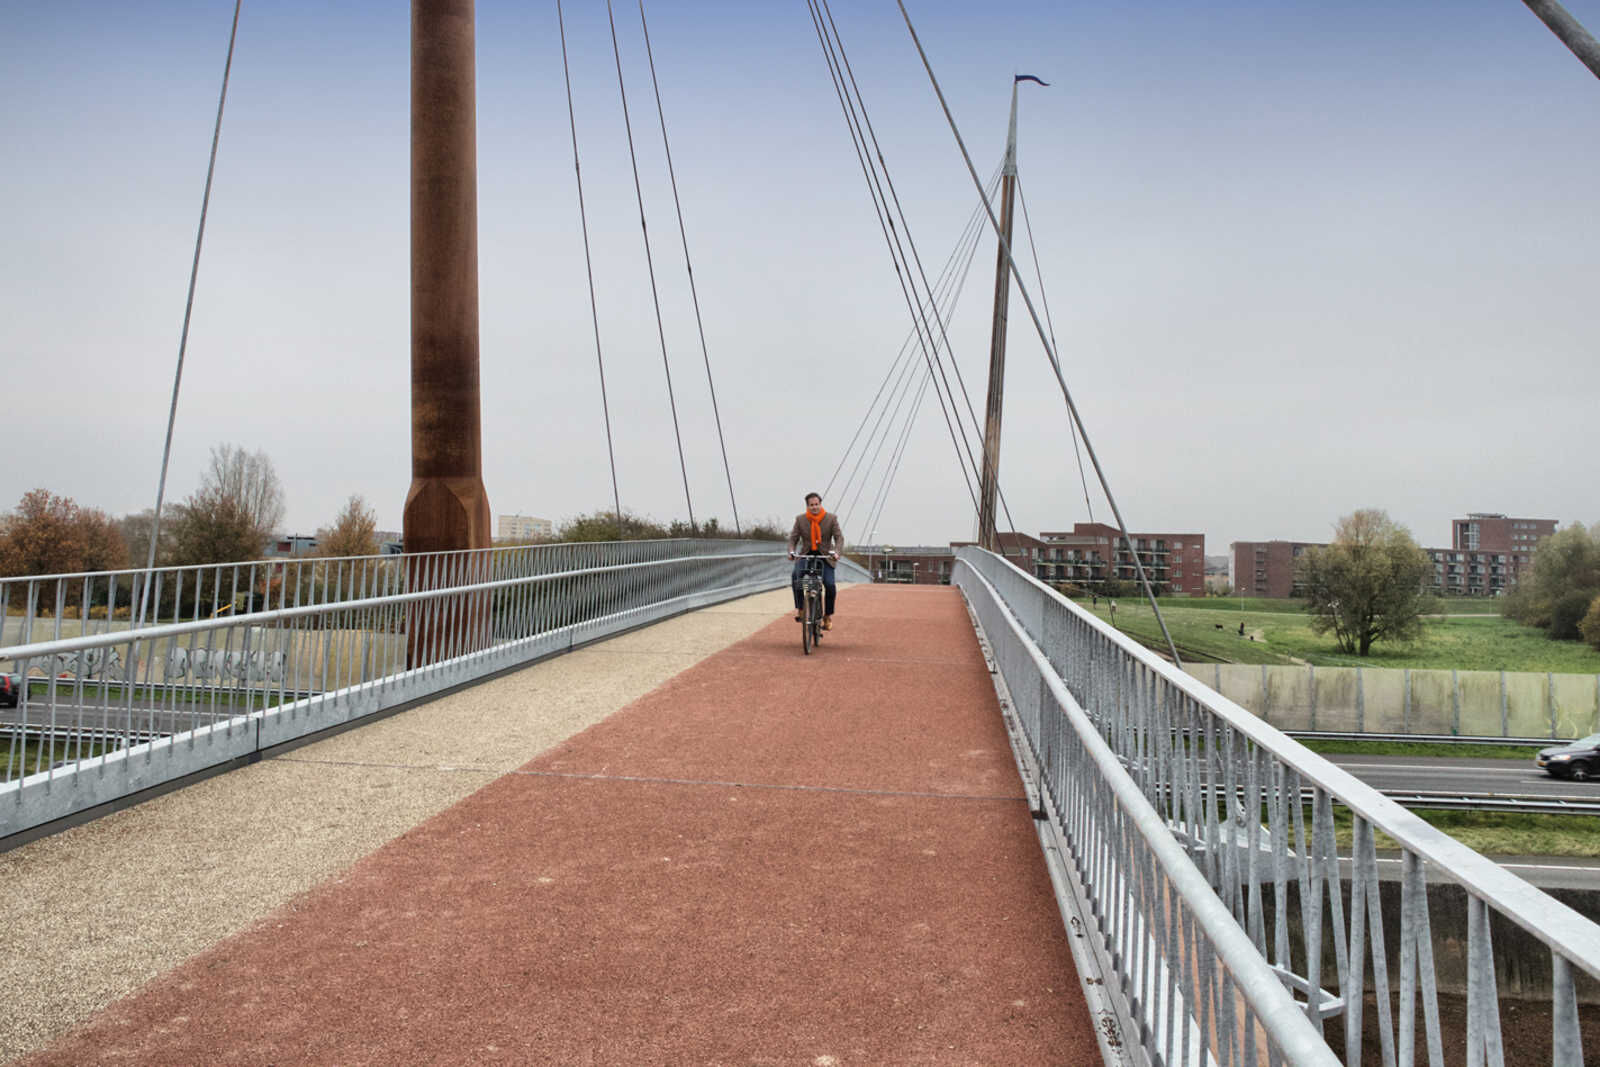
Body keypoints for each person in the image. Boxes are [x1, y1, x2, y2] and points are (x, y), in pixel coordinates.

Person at [787, 492, 844, 629]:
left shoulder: (831, 519)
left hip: (826, 557)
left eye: (817, 504)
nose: (814, 507)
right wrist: (791, 551)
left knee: (830, 585)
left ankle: (827, 616)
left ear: (820, 504)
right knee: (796, 577)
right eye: (811, 505)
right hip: (807, 554)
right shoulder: (800, 520)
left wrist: (836, 552)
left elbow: (839, 538)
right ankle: (801, 608)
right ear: (807, 506)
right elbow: (793, 538)